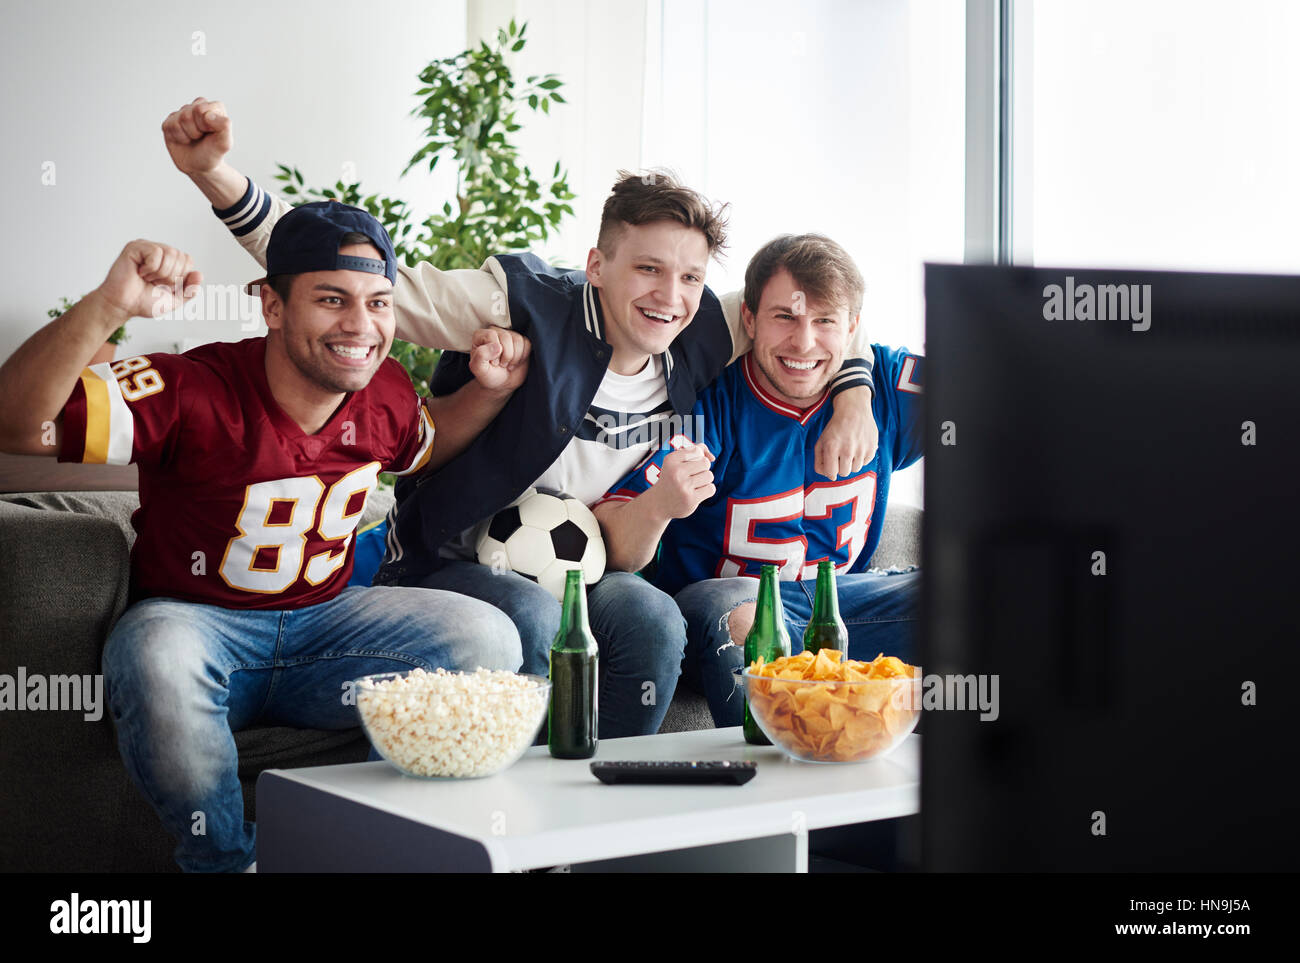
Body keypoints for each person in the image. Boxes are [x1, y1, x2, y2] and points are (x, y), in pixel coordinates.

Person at [161, 96, 880, 738]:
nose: (670, 294)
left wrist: (852, 390)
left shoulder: (706, 327)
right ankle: (521, 818)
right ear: (597, 264)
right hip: (463, 560)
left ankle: (609, 809)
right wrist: (216, 176)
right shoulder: (524, 302)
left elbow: (826, 313)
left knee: (655, 620)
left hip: (590, 564)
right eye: (648, 269)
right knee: (533, 621)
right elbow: (367, 279)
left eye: (690, 276)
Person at [0, 203, 530, 872]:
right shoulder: (189, 386)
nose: (361, 326)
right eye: (332, 299)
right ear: (271, 306)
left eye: (378, 302)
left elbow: (426, 442)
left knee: (488, 637)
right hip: (198, 625)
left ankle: (373, 843)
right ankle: (228, 862)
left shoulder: (385, 389)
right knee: (155, 650)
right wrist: (110, 305)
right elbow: (17, 425)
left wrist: (489, 391)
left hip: (327, 629)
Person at [595, 234, 922, 727]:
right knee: (748, 615)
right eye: (784, 318)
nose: (804, 343)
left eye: (825, 322)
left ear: (853, 328)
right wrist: (660, 504)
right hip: (726, 609)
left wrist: (857, 394)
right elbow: (613, 543)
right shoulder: (707, 407)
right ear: (749, 319)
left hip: (843, 606)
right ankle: (785, 784)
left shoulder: (887, 384)